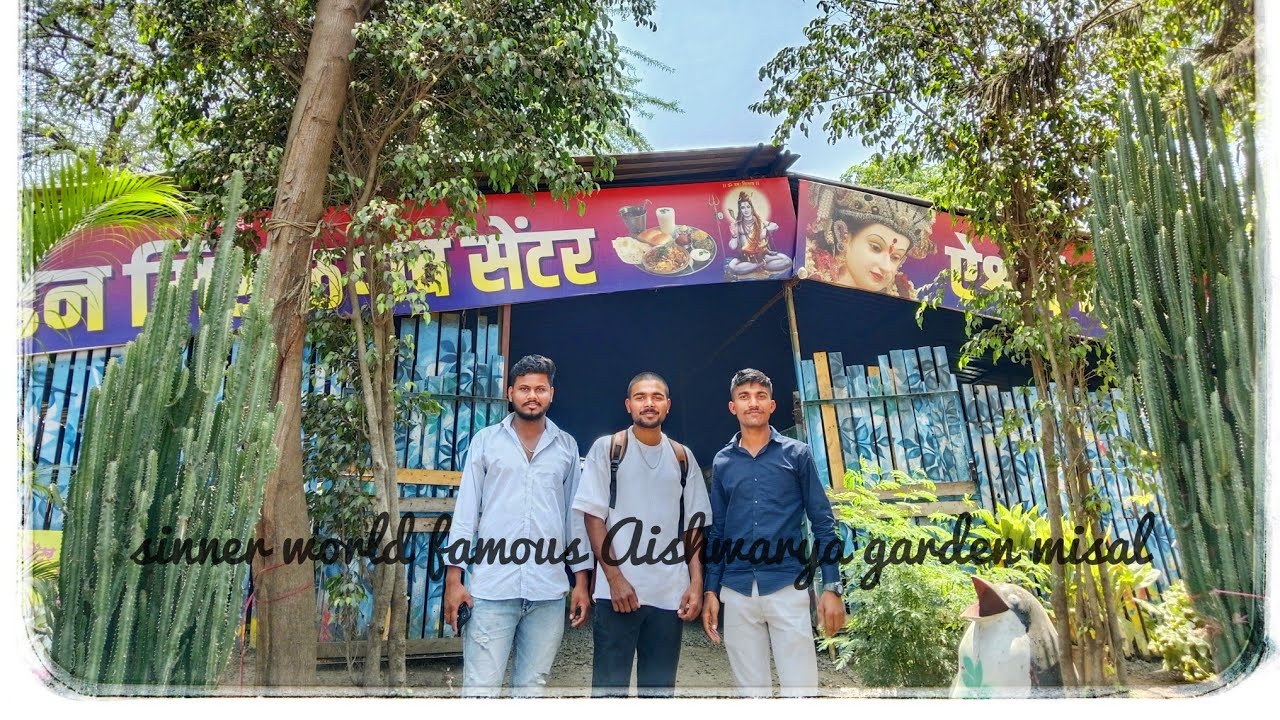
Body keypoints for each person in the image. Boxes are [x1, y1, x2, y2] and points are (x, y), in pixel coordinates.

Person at [443, 354, 593, 697]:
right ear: (510, 392)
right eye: (524, 388)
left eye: (540, 389)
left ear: (551, 394)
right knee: (481, 691)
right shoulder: (485, 442)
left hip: (547, 592)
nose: (532, 395)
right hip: (492, 590)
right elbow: (466, 513)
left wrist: (581, 582)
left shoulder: (566, 447)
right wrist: (455, 579)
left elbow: (574, 519)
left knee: (532, 690)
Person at [701, 368, 846, 697]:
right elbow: (719, 531)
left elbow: (822, 521)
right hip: (736, 590)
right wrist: (711, 590)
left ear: (772, 405)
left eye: (760, 396)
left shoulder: (797, 455)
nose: (753, 403)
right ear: (732, 407)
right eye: (744, 396)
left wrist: (831, 586)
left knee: (801, 690)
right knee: (752, 696)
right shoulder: (723, 462)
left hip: (787, 585)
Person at [573, 372, 712, 697]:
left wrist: (695, 583)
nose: (649, 403)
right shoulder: (608, 449)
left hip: (668, 596)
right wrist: (615, 579)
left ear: (667, 405)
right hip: (617, 596)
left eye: (656, 396)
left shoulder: (682, 457)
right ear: (628, 404)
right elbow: (594, 517)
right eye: (640, 396)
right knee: (609, 693)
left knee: (659, 694)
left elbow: (693, 524)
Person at [804, 188, 933, 299]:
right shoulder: (806, 271)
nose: (886, 266)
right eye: (876, 248)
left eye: (895, 257)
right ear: (843, 236)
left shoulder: (903, 296)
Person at [726, 191, 792, 276]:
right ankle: (760, 265)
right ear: (740, 210)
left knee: (787, 261)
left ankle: (757, 265)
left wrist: (765, 230)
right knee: (732, 267)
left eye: (748, 207)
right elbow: (732, 246)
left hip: (763, 254)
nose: (746, 210)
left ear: (751, 208)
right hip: (745, 258)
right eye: (743, 208)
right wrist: (734, 235)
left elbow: (775, 226)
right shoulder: (737, 225)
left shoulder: (760, 222)